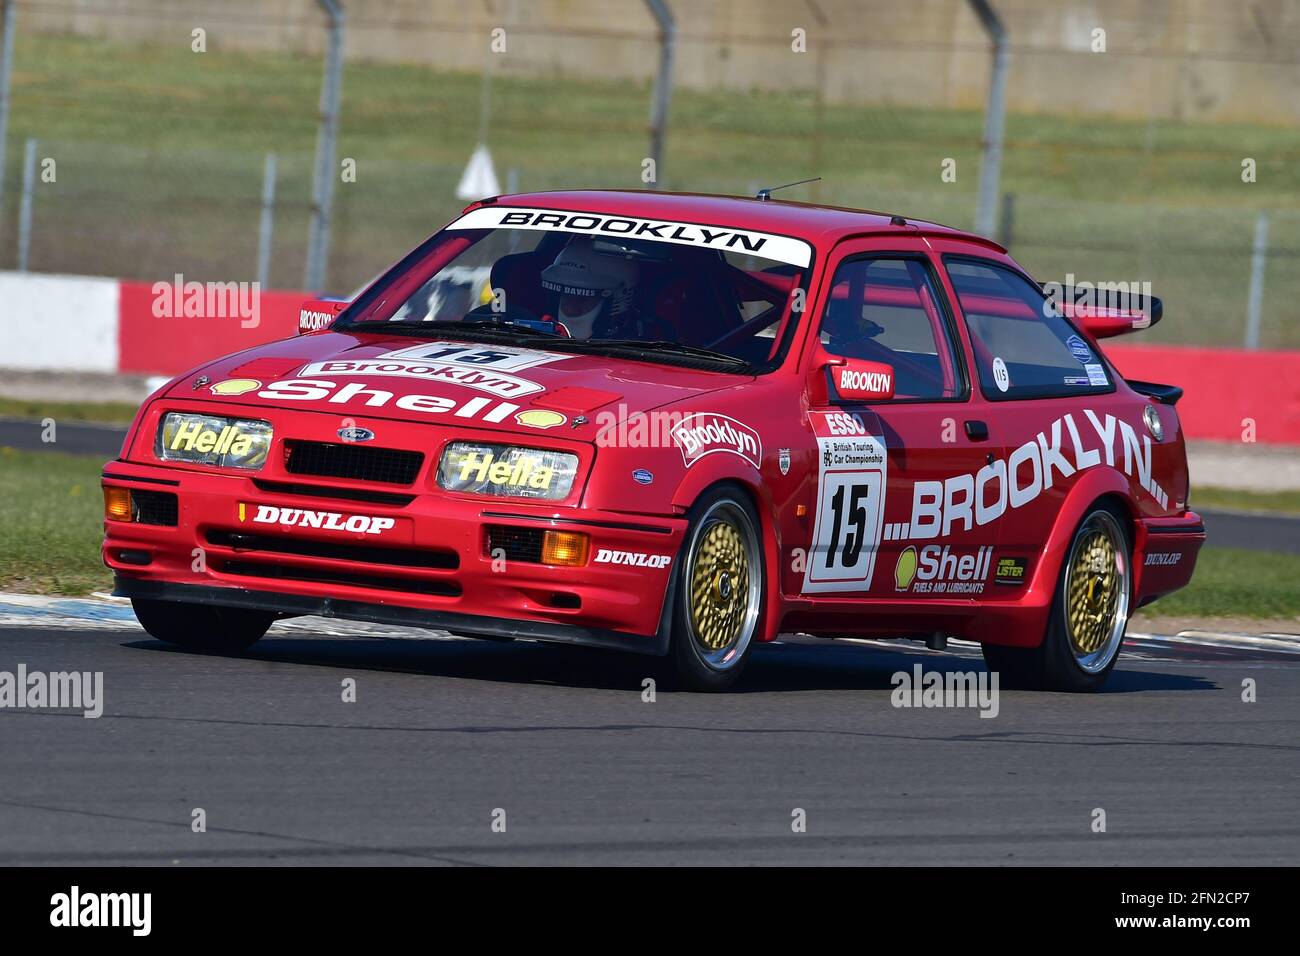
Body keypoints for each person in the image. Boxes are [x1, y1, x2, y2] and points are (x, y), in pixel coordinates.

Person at [539, 237, 643, 339]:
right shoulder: (531, 332)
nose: (570, 309)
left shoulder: (641, 345)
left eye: (583, 299)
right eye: (566, 297)